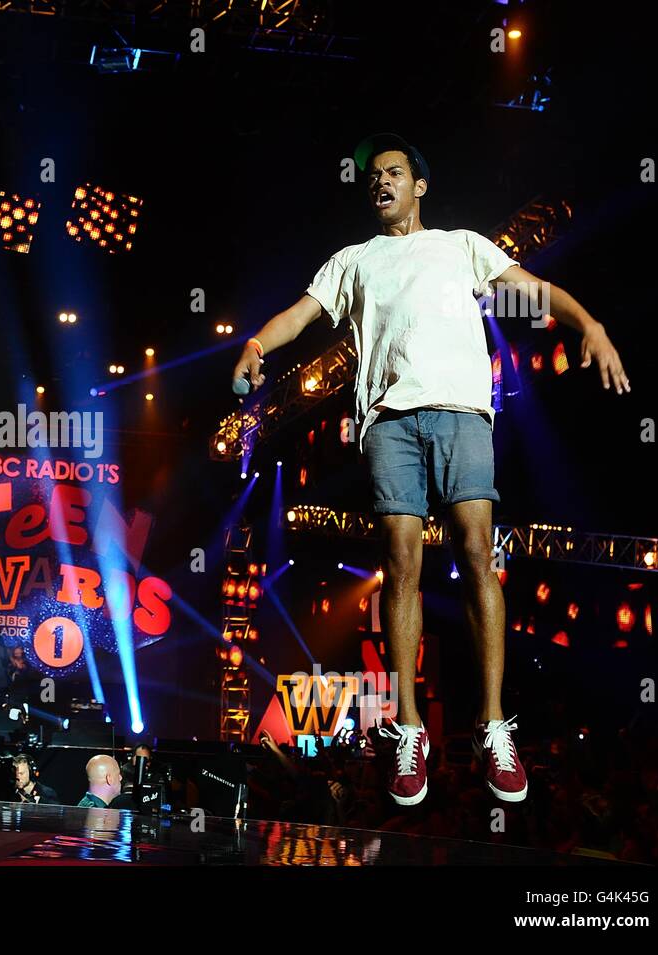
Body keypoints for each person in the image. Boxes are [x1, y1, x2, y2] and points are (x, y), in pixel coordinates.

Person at [231, 132, 630, 807]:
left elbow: (533, 290)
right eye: (372, 176)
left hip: (463, 414)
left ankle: (493, 722)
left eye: (393, 172)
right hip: (390, 421)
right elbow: (300, 314)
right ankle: (409, 727)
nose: (380, 181)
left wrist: (588, 322)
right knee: (403, 560)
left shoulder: (461, 245)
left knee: (478, 551)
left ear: (419, 186)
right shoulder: (352, 260)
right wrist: (254, 342)